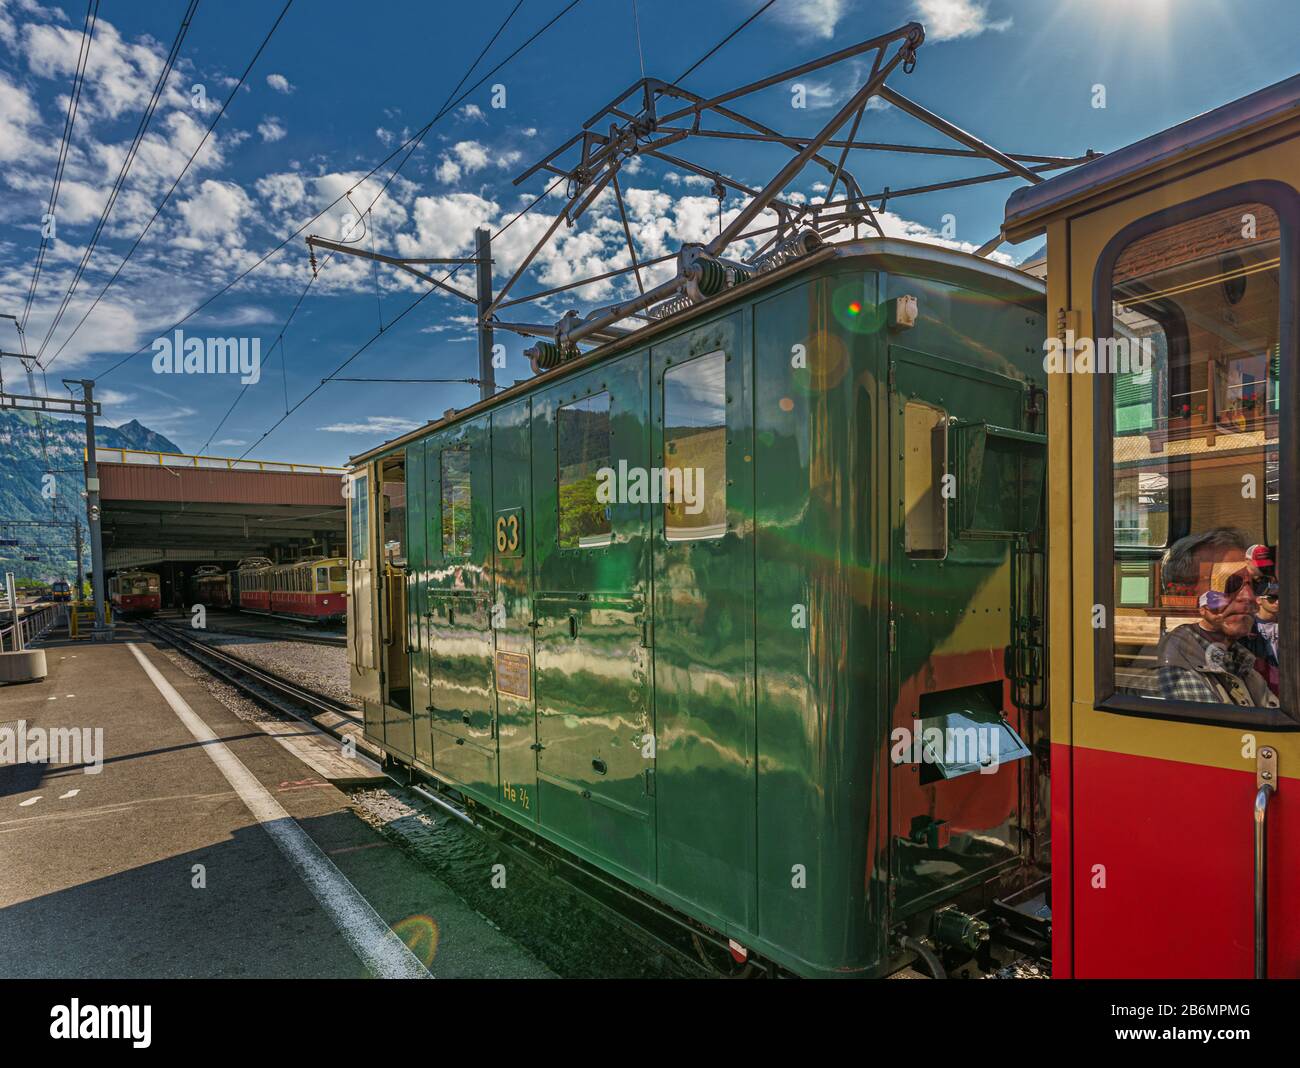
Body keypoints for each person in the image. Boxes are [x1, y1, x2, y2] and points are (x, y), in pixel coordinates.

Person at [1154, 528, 1278, 707]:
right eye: (1231, 583)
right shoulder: (1179, 668)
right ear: (1188, 594)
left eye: (1256, 584)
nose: (1249, 596)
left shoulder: (1239, 659)